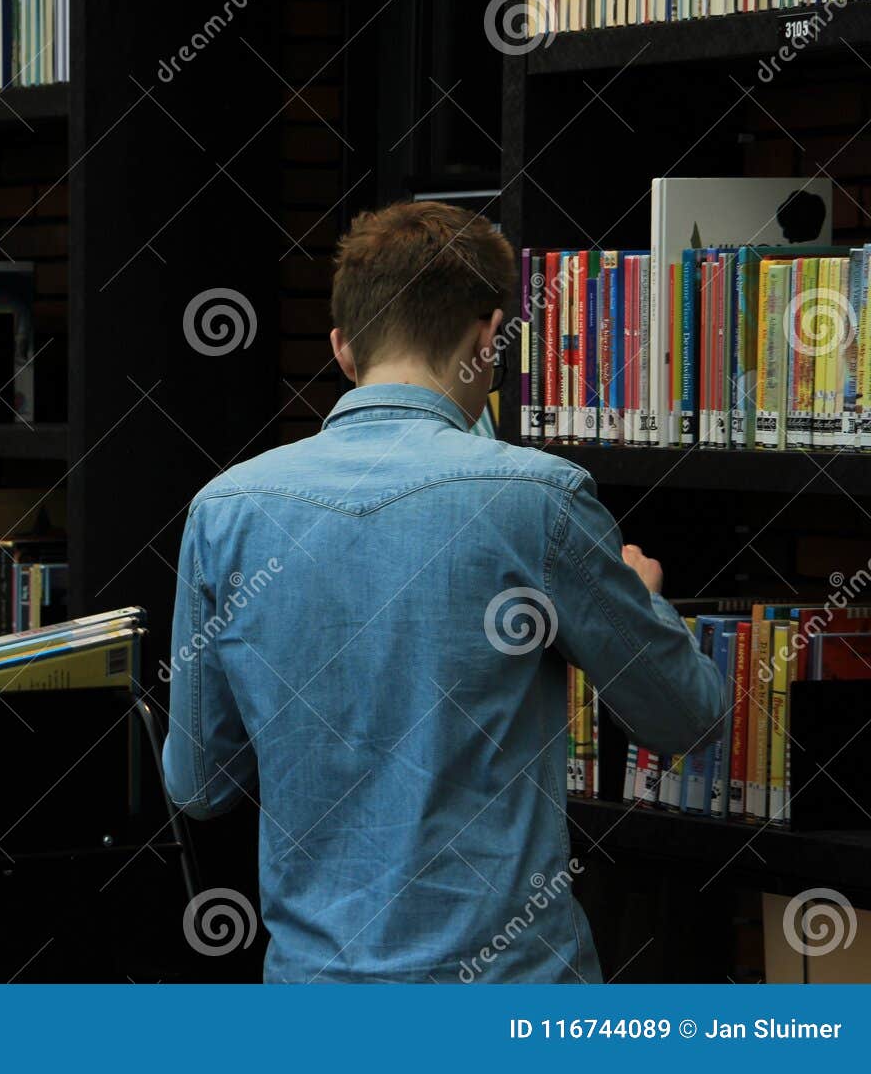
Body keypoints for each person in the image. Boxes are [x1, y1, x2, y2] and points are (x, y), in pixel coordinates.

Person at [161, 200, 728, 983]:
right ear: (489, 337)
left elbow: (198, 785)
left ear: (341, 348)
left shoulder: (224, 511)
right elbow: (687, 716)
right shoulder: (541, 500)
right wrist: (641, 597)